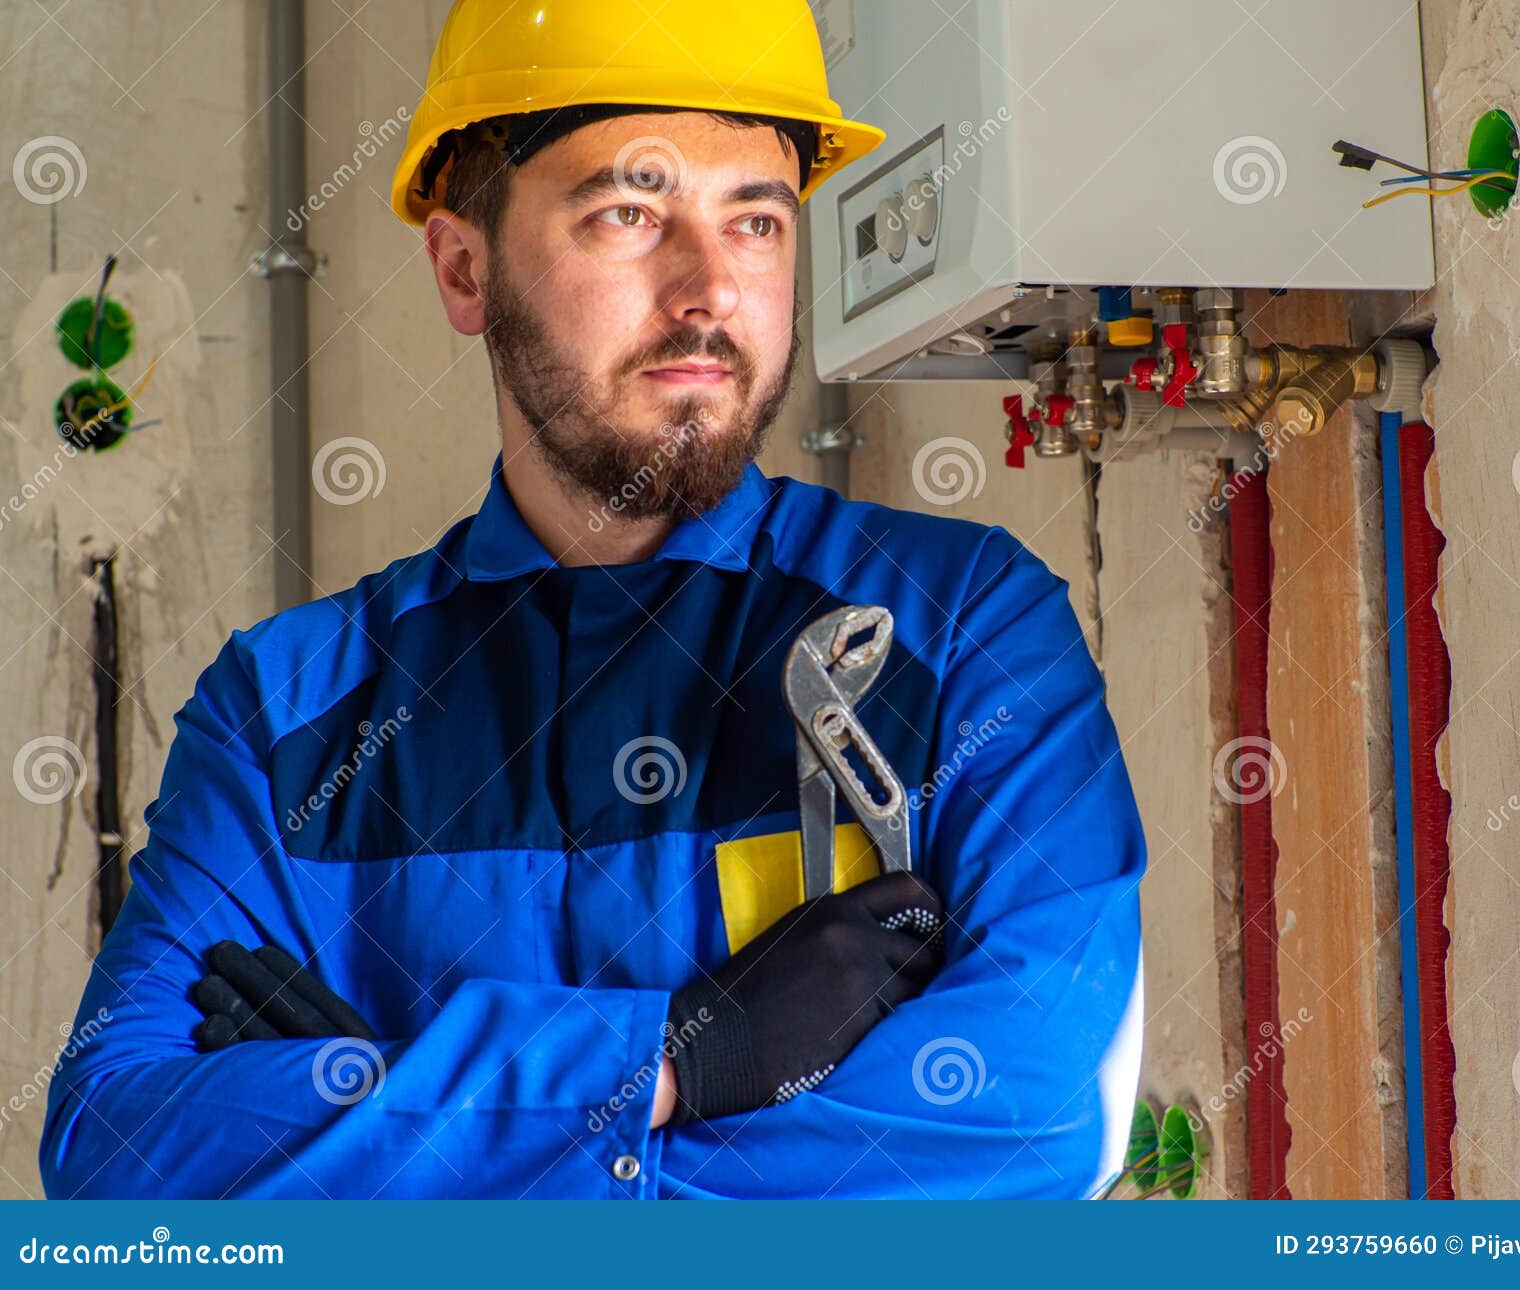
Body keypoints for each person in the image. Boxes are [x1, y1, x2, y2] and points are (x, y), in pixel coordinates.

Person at [40, 0, 1146, 1199]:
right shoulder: (282, 716)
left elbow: (1037, 1125)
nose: (709, 290)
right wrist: (669, 1066)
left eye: (756, 222)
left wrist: (424, 1129)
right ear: (465, 269)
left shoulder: (966, 628)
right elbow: (116, 1154)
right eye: (629, 214)